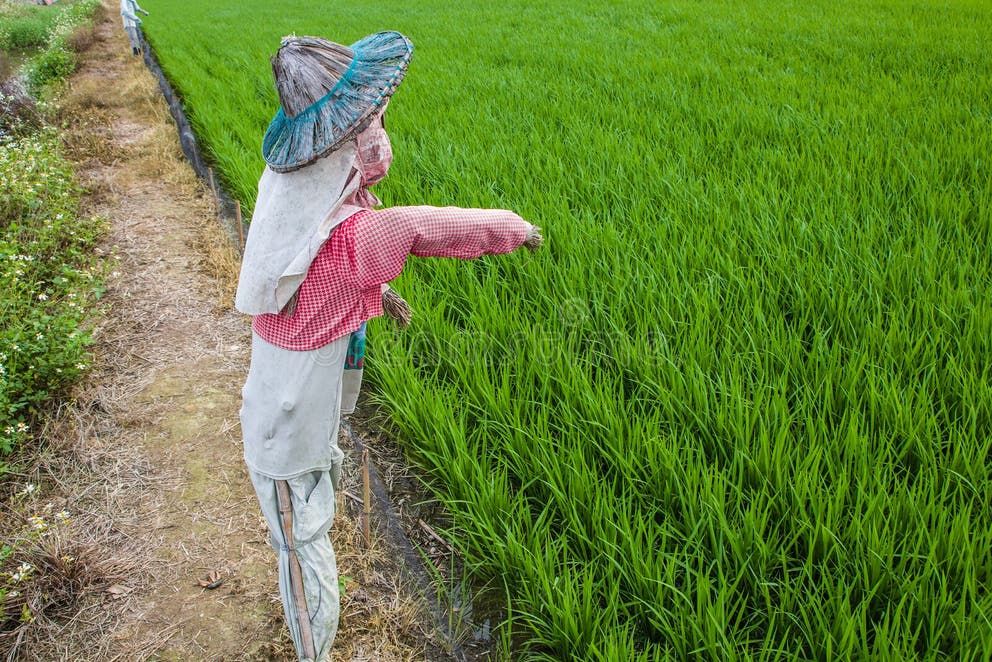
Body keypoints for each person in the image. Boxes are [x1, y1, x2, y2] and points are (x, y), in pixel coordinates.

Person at [234, 32, 542, 661]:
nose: (381, 134)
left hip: (293, 407)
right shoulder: (350, 235)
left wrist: (383, 298)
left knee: (309, 510)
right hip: (282, 431)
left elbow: (325, 282)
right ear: (346, 148)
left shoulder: (302, 210)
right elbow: (418, 228)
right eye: (372, 125)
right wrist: (513, 228)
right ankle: (312, 652)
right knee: (301, 545)